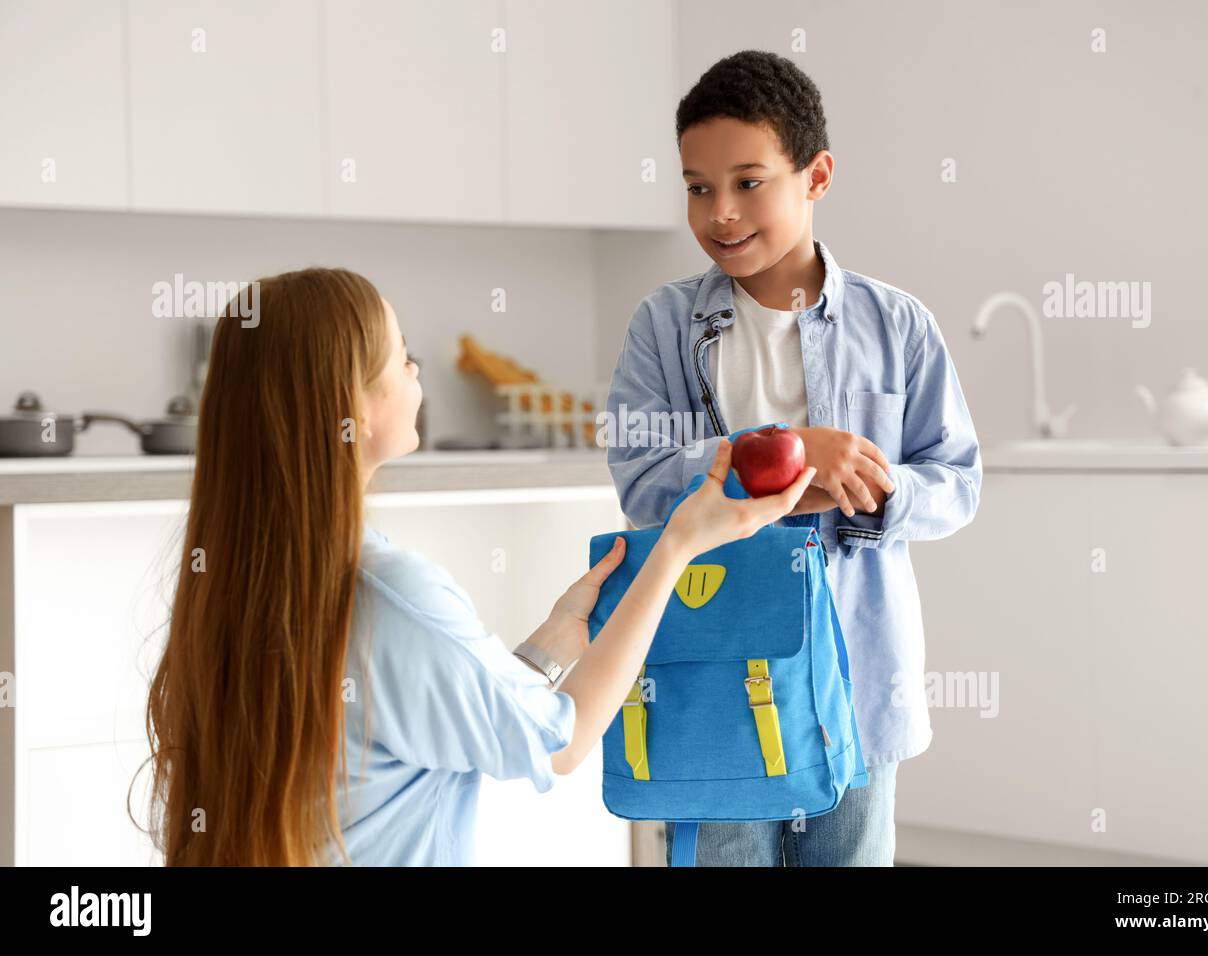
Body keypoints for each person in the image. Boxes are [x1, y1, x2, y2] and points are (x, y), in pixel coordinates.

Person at [142, 266, 815, 866]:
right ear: (348, 404)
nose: (415, 370)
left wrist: (553, 641)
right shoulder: (391, 598)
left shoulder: (240, 591)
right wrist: (674, 550)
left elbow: (434, 707)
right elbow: (564, 739)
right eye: (400, 356)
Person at [605, 51, 983, 866]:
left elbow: (957, 480)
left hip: (857, 670)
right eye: (698, 187)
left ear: (815, 177)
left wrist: (879, 493)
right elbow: (640, 482)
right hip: (714, 665)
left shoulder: (899, 325)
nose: (722, 213)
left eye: (749, 182)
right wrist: (781, 456)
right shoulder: (663, 325)